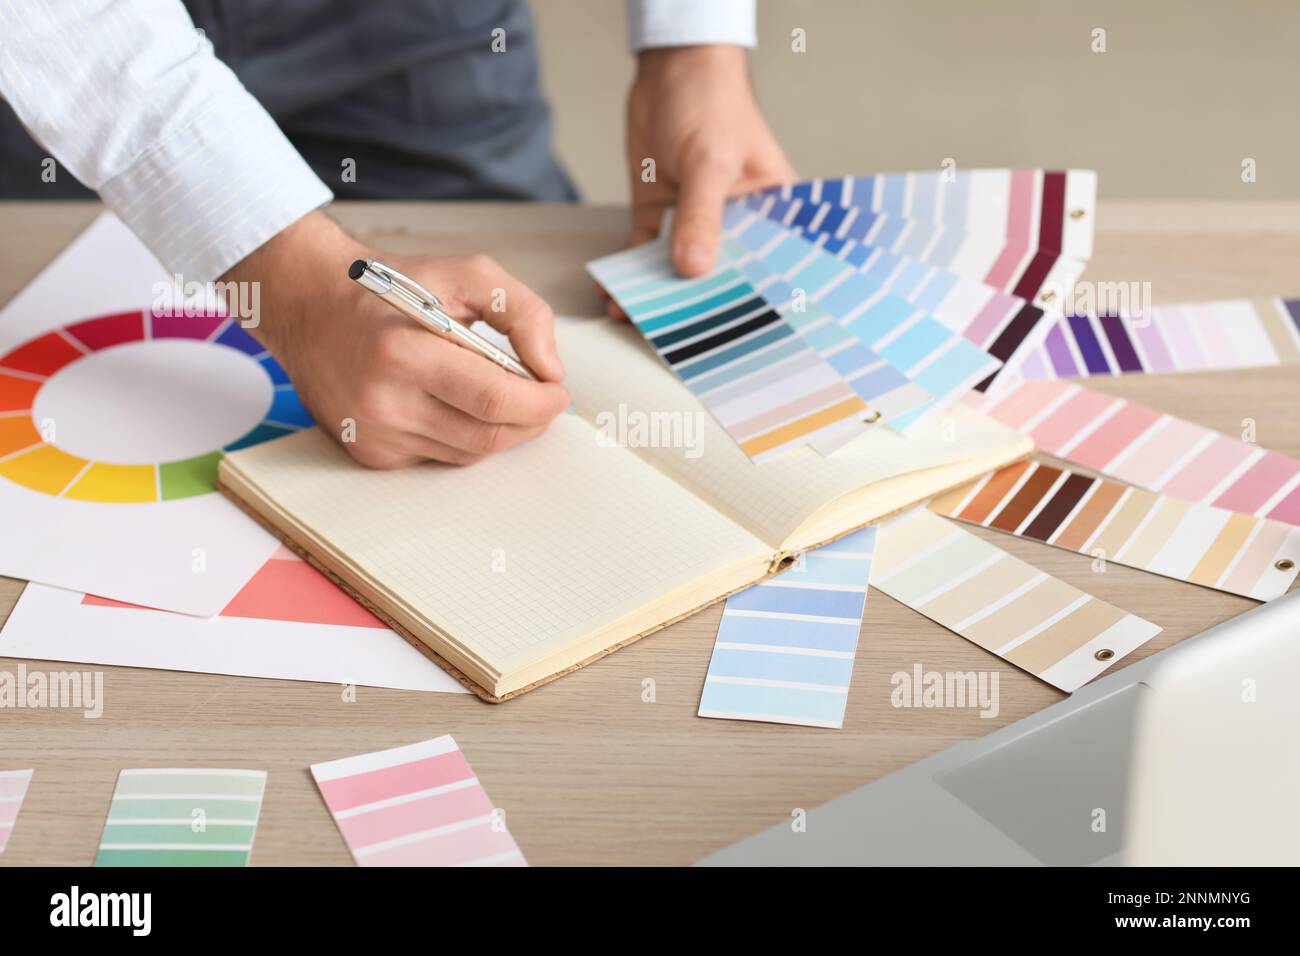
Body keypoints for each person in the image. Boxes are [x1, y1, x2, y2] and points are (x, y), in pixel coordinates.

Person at [0, 0, 793, 468]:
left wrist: (694, 44)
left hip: (417, 25)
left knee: (525, 281)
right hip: (50, 53)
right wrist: (298, 288)